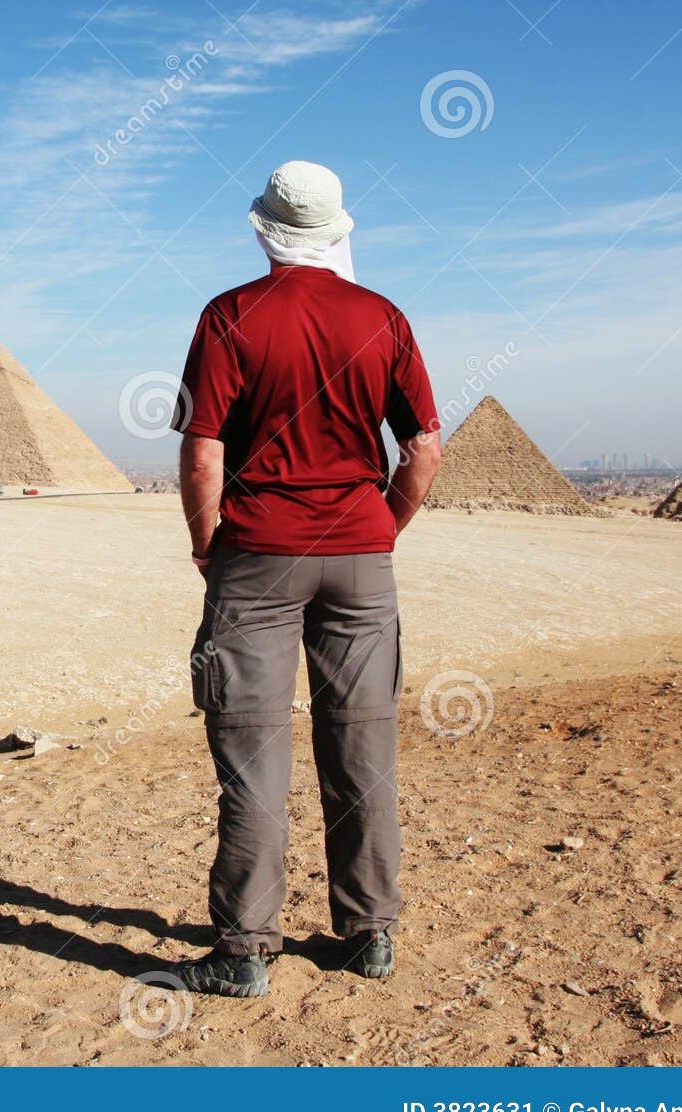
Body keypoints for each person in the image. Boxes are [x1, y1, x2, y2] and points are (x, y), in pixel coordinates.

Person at [168, 160, 442, 997]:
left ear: (263, 230)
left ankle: (246, 949)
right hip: (361, 558)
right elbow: (425, 448)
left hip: (259, 552)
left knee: (253, 754)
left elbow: (202, 446)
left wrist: (209, 542)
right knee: (363, 749)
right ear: (338, 233)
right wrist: (379, 527)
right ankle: (369, 936)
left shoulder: (228, 316)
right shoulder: (383, 316)